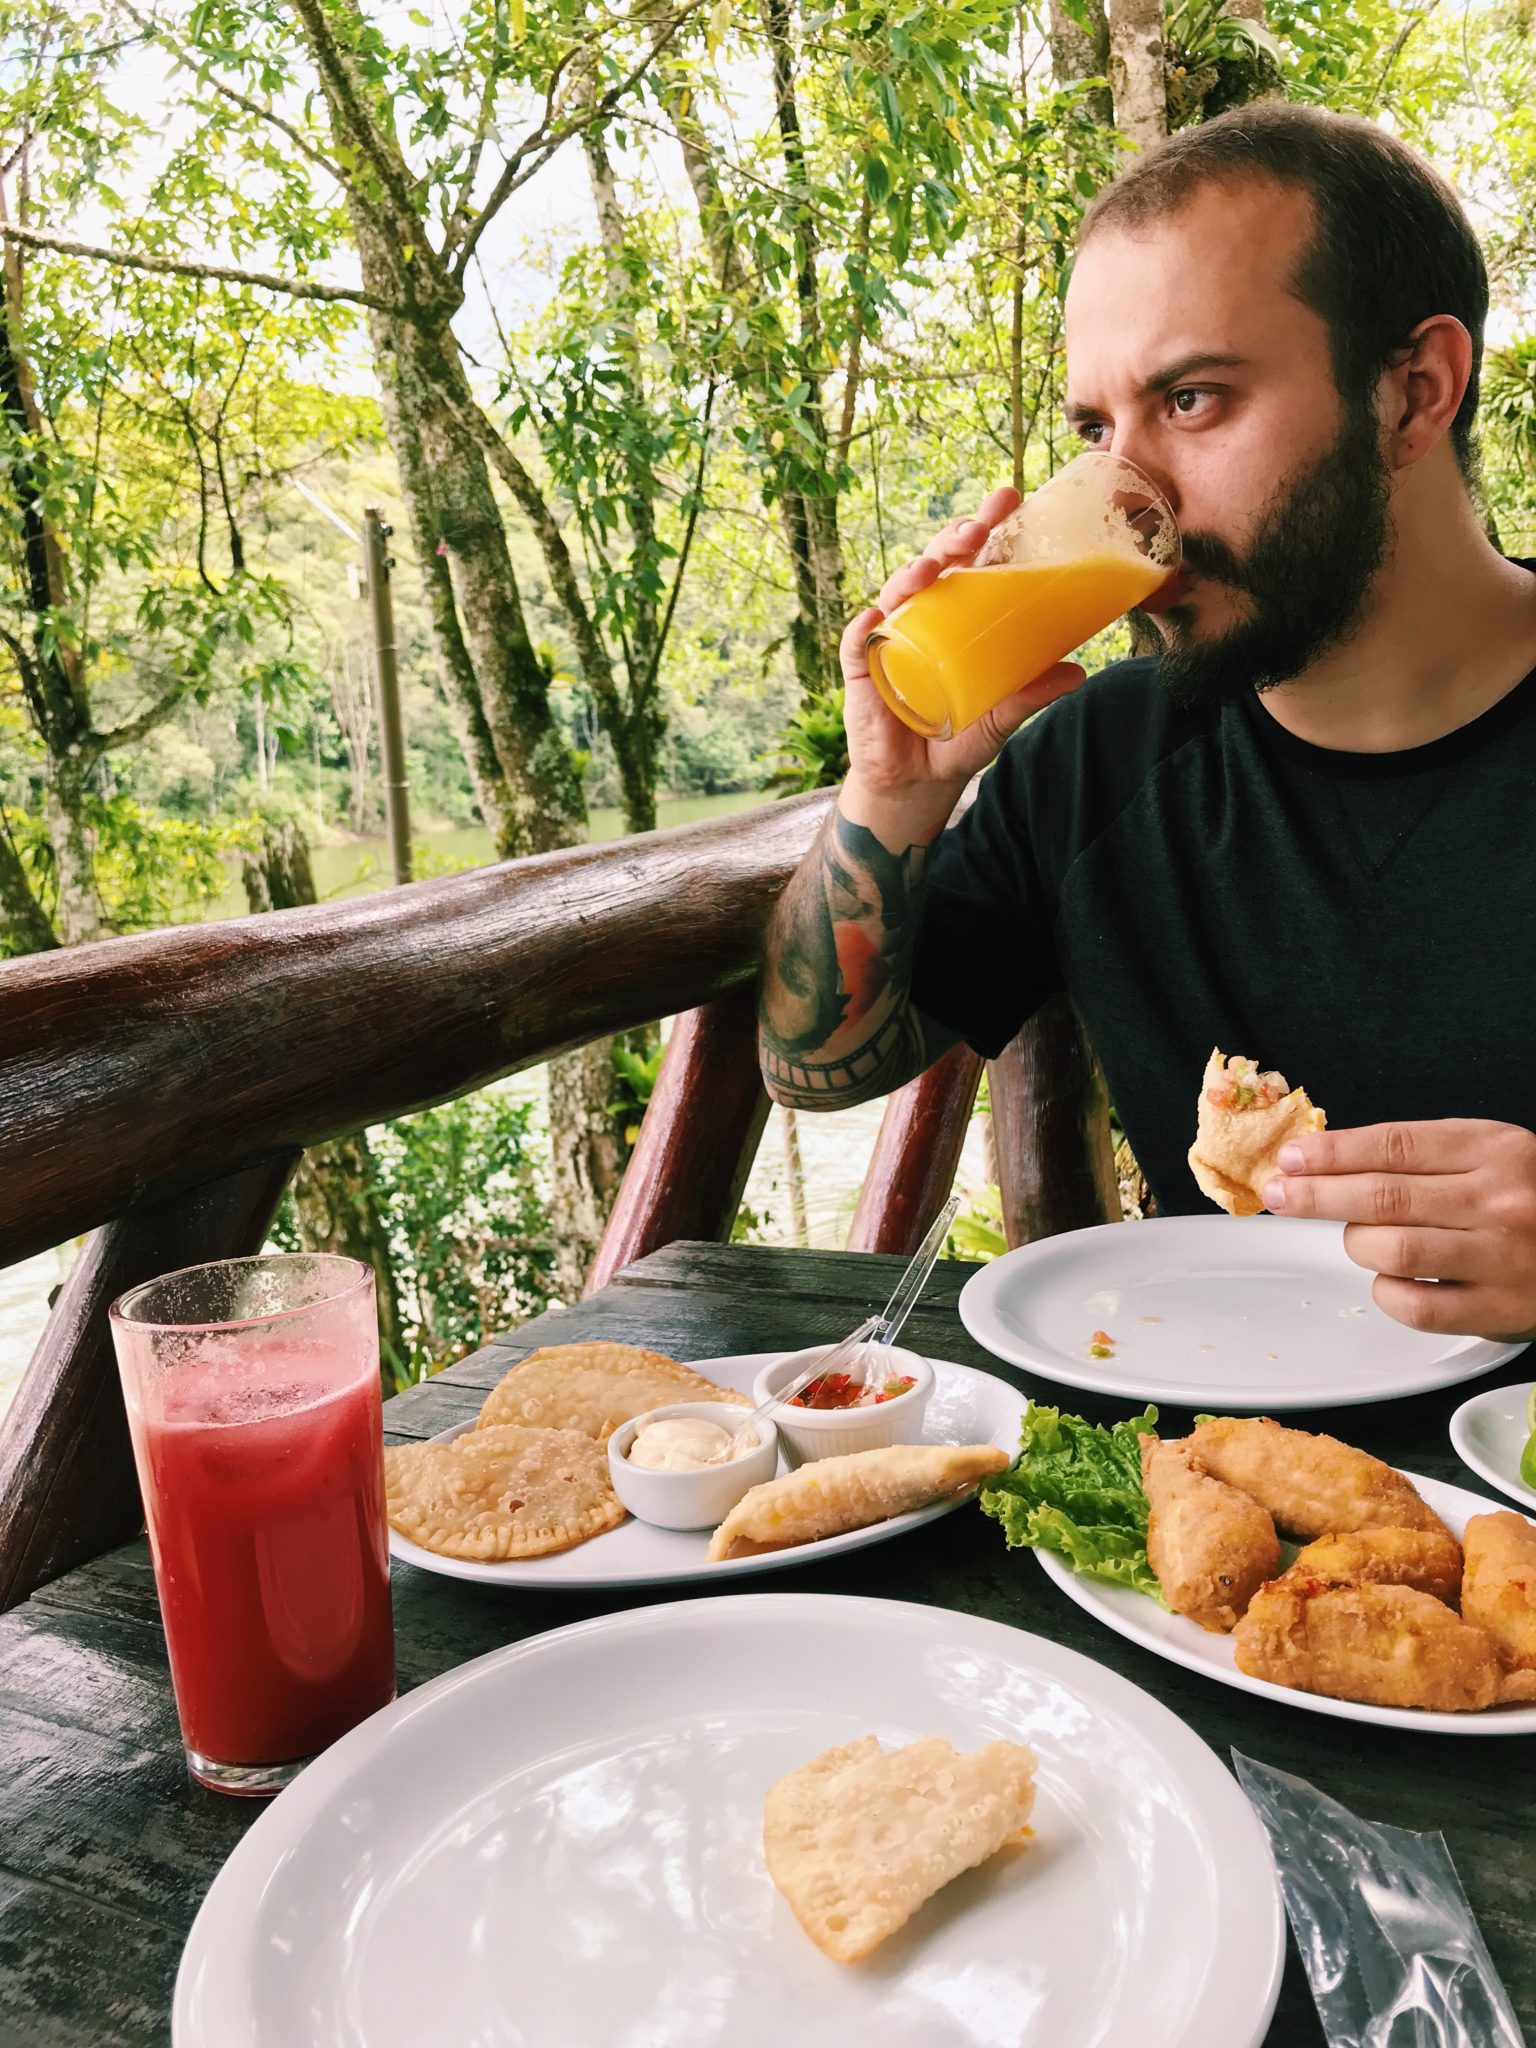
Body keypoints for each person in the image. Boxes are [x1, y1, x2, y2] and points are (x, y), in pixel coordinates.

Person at [757, 101, 1536, 1343]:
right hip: (1209, 1453)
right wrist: (892, 792)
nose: (1127, 497)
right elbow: (817, 1064)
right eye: (1096, 430)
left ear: (1413, 392)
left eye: (1192, 399)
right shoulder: (1094, 760)